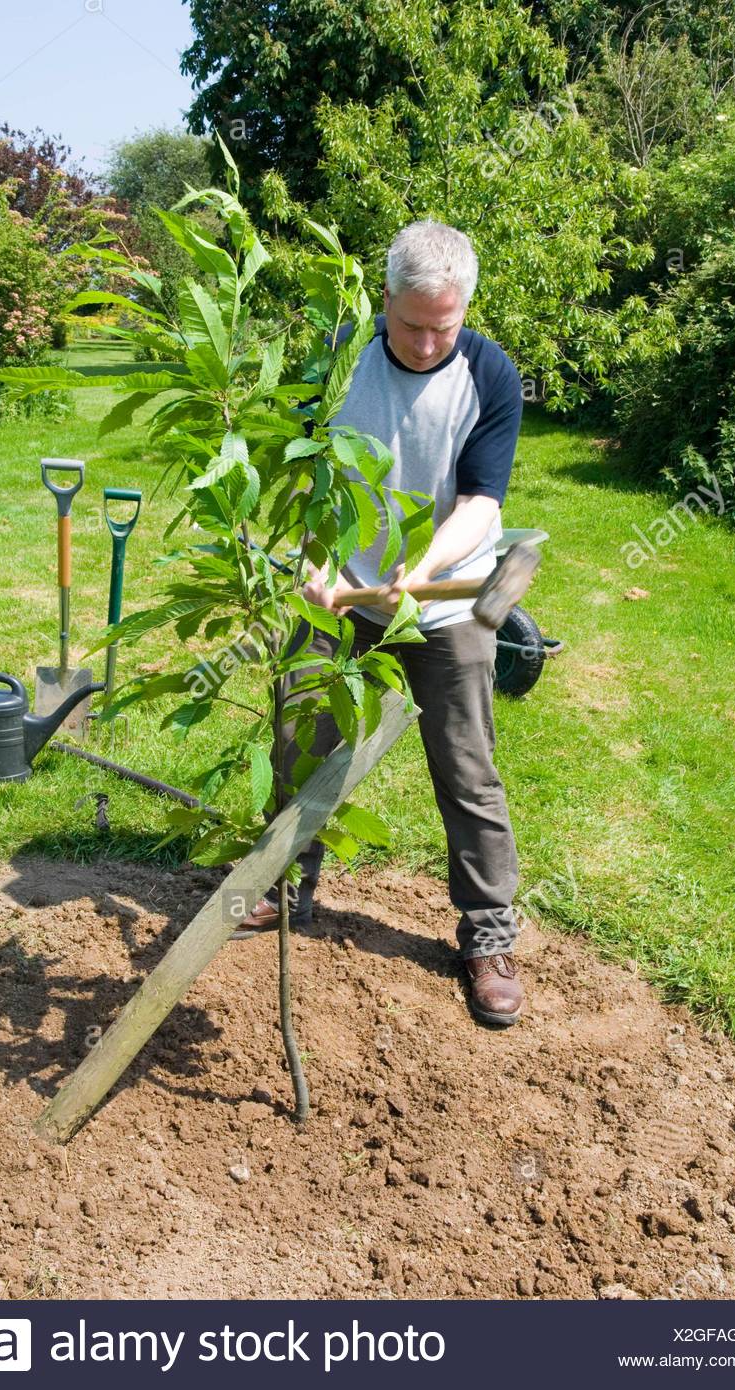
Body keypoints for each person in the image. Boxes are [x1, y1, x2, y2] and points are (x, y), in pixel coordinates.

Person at [241, 220, 526, 1026]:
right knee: (299, 739)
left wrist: (426, 570)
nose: (431, 342)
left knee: (467, 764)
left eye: (447, 324)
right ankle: (280, 886)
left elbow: (481, 501)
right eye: (413, 324)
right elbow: (298, 474)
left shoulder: (488, 371)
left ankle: (487, 931)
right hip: (336, 590)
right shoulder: (336, 362)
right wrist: (314, 554)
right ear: (384, 300)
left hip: (440, 595)